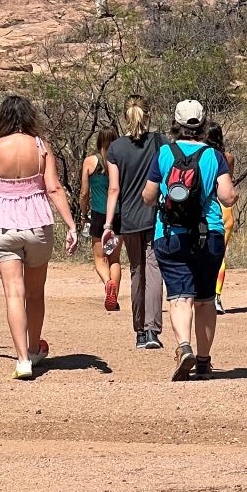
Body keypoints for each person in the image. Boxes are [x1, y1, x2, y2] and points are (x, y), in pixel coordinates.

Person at [0, 94, 77, 380]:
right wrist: (71, 225)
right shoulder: (40, 147)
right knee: (35, 294)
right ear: (29, 117)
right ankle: (35, 348)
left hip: (2, 227)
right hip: (37, 226)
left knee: (14, 293)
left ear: (3, 118)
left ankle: (23, 359)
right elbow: (54, 188)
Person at [143, 100, 237, 380]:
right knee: (206, 300)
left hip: (170, 234)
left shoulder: (163, 154)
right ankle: (205, 362)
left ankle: (184, 347)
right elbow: (227, 197)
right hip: (209, 234)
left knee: (180, 296)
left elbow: (148, 197)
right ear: (202, 124)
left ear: (177, 124)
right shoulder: (214, 156)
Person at [105, 99, 165, 348]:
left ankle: (139, 332)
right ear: (147, 115)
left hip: (129, 218)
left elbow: (114, 188)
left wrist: (108, 224)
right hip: (154, 215)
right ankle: (152, 331)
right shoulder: (159, 142)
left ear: (125, 117)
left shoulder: (115, 148)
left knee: (136, 271)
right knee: (154, 270)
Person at [80, 127, 121, 312]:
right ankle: (114, 296)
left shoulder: (90, 162)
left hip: (98, 214)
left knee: (99, 257)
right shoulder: (120, 161)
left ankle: (107, 284)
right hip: (119, 215)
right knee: (115, 259)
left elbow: (84, 193)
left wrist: (83, 214)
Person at [206, 123, 237, 315]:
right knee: (220, 256)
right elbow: (227, 183)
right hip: (226, 209)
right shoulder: (228, 158)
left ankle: (205, 295)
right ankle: (216, 296)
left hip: (209, 208)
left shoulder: (203, 158)